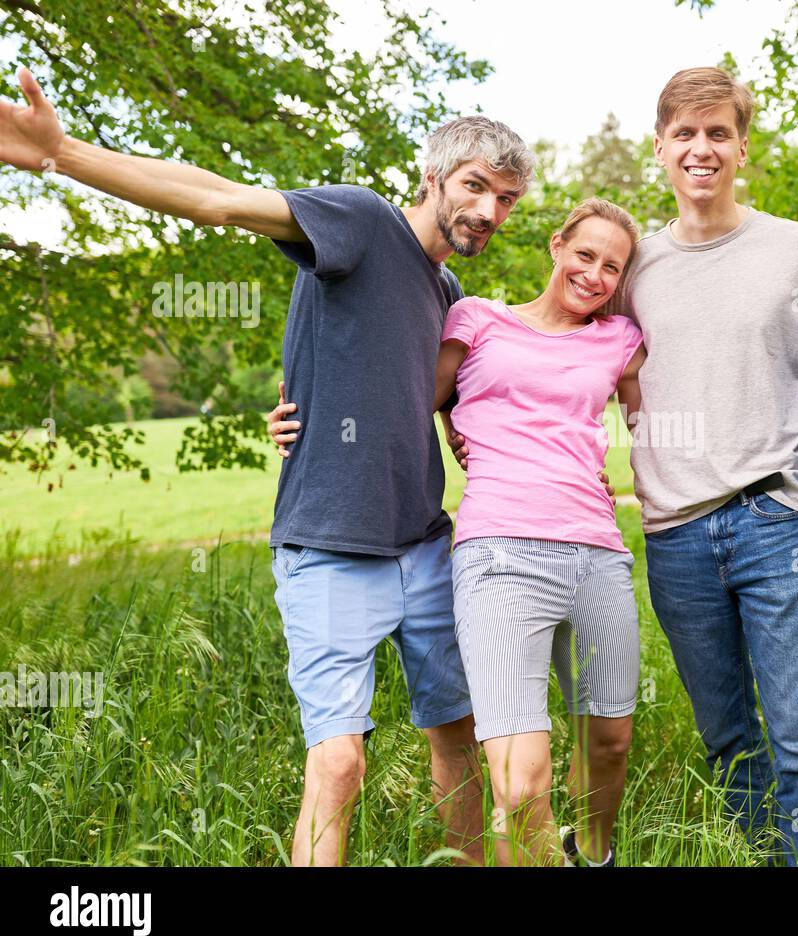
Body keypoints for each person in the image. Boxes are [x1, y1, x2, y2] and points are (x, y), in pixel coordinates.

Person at [0, 65, 534, 866]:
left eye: (507, 200)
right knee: (341, 761)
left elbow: (420, 389)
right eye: (476, 187)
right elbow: (218, 196)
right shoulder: (356, 220)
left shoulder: (446, 286)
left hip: (425, 546)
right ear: (434, 177)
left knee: (455, 739)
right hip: (328, 546)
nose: (489, 211)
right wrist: (63, 155)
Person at [273, 199, 647, 867]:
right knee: (520, 778)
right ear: (558, 245)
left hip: (597, 550)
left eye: (611, 267)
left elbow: (665, 411)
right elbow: (410, 391)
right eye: (584, 254)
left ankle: (590, 853)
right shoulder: (475, 317)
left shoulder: (620, 339)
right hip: (497, 550)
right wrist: (303, 411)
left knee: (606, 740)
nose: (593, 274)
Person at [619, 67, 798, 865]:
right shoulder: (632, 267)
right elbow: (561, 360)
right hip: (675, 534)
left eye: (718, 132)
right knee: (728, 744)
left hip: (777, 520)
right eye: (685, 133)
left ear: (743, 146)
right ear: (661, 149)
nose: (702, 148)